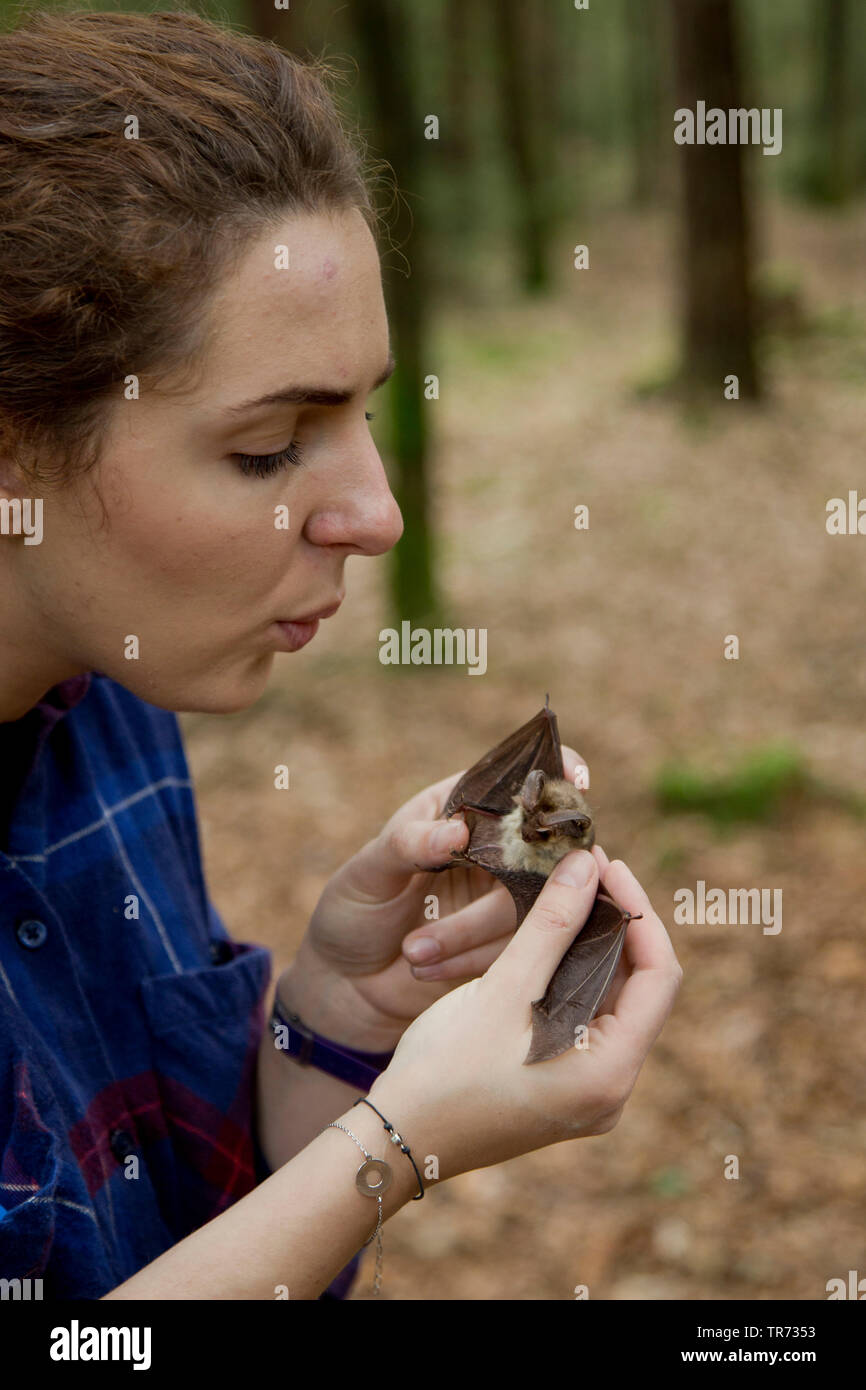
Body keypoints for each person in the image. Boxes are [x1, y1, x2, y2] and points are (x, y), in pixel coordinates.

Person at [0, 9, 682, 1300]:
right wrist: (392, 1147)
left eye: (362, 412)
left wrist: (336, 1024)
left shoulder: (112, 706)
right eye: (268, 446)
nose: (378, 515)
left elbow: (182, 1229)